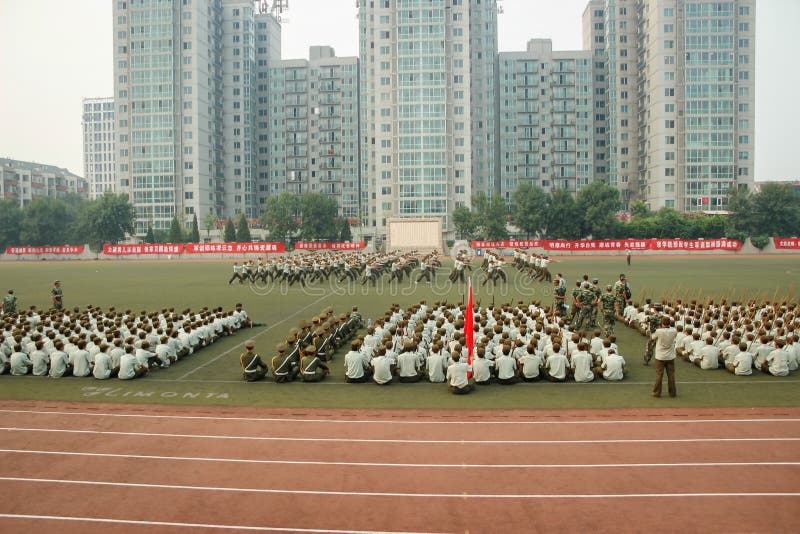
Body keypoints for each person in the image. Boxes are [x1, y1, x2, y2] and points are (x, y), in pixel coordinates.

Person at [651, 316, 677, 398]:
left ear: (661, 323)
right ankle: (672, 393)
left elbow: (652, 337)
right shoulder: (674, 330)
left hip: (660, 356)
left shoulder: (659, 331)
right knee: (671, 375)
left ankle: (657, 393)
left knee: (659, 375)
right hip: (670, 356)